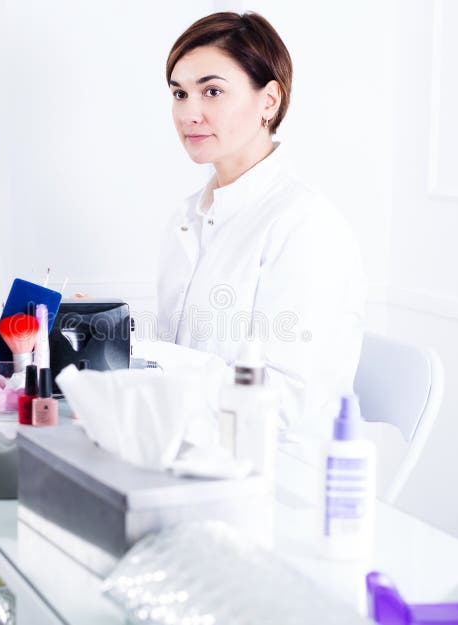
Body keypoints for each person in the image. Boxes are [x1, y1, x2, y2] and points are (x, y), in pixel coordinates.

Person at [157, 12, 366, 438]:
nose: (189, 113)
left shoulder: (304, 225)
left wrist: (157, 386)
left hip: (277, 470)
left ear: (269, 101)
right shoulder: (186, 218)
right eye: (180, 94)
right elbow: (179, 358)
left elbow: (286, 401)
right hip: (192, 447)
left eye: (211, 91)